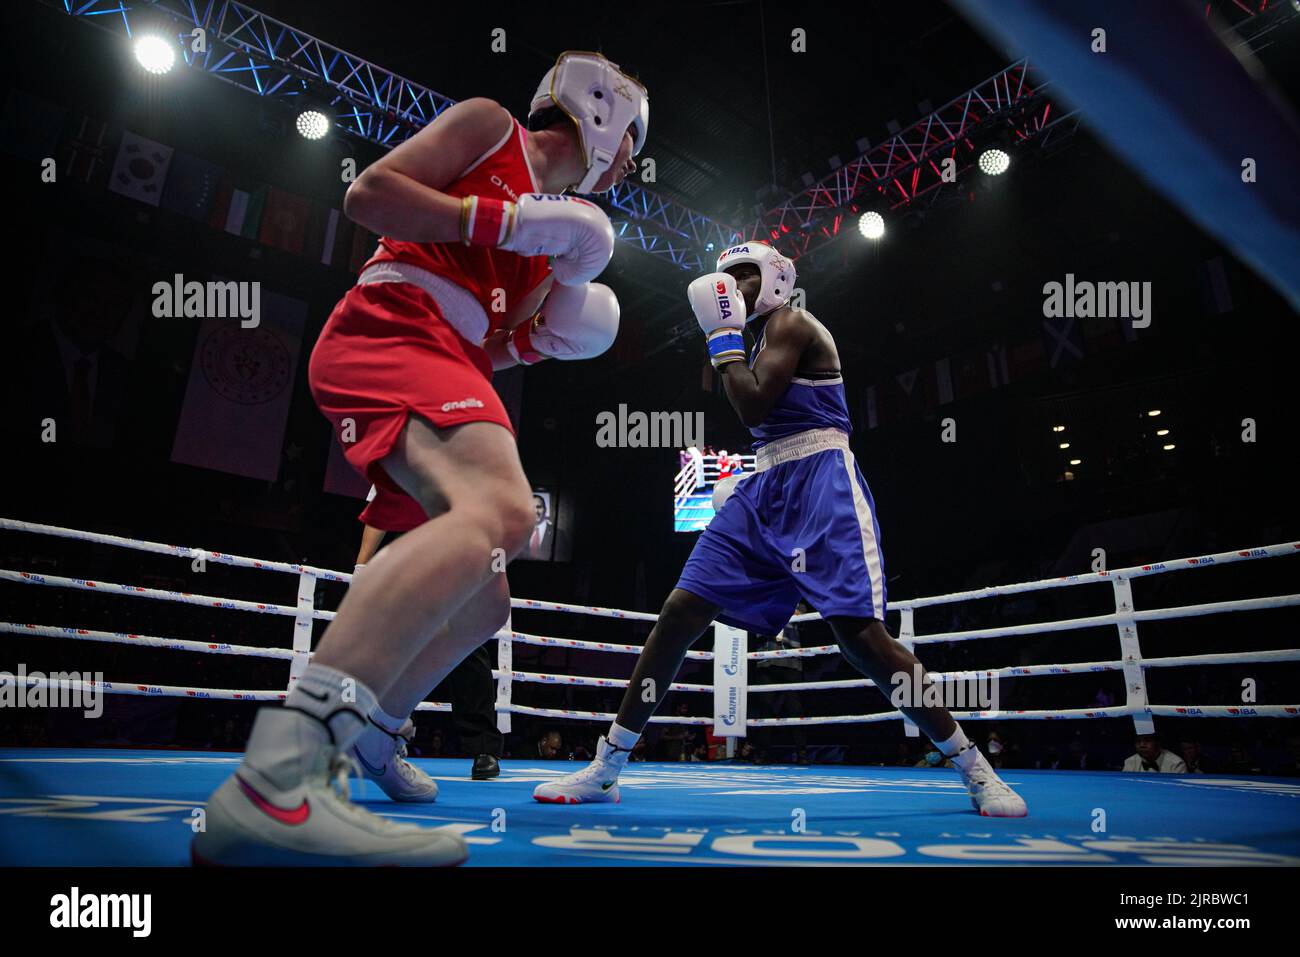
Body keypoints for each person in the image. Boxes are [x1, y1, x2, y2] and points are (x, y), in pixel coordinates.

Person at [193, 52, 647, 866]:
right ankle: (280, 778)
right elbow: (367, 196)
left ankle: (373, 731)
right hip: (391, 322)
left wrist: (543, 342)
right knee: (504, 509)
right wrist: (502, 222)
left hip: (454, 362)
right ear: (602, 113)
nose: (627, 165)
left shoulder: (562, 247)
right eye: (630, 142)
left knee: (486, 600)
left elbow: (494, 344)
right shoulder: (489, 127)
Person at [534, 241, 1026, 816]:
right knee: (679, 613)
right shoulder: (755, 340)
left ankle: (974, 767)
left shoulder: (790, 321)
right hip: (763, 484)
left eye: (746, 275)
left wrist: (721, 343)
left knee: (862, 640)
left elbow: (753, 404)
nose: (735, 287)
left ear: (773, 279)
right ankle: (606, 767)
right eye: (726, 278)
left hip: (822, 482)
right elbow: (755, 418)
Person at [351, 486, 504, 788]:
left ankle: (483, 749)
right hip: (410, 553)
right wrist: (361, 565)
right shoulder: (398, 450)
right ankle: (381, 739)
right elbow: (381, 507)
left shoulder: (471, 450)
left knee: (467, 648)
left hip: (461, 550)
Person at [1122, 733, 1188, 773]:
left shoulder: (1176, 764)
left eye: (1147, 741)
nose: (1142, 745)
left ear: (1158, 743)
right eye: (1138, 741)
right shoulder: (1130, 762)